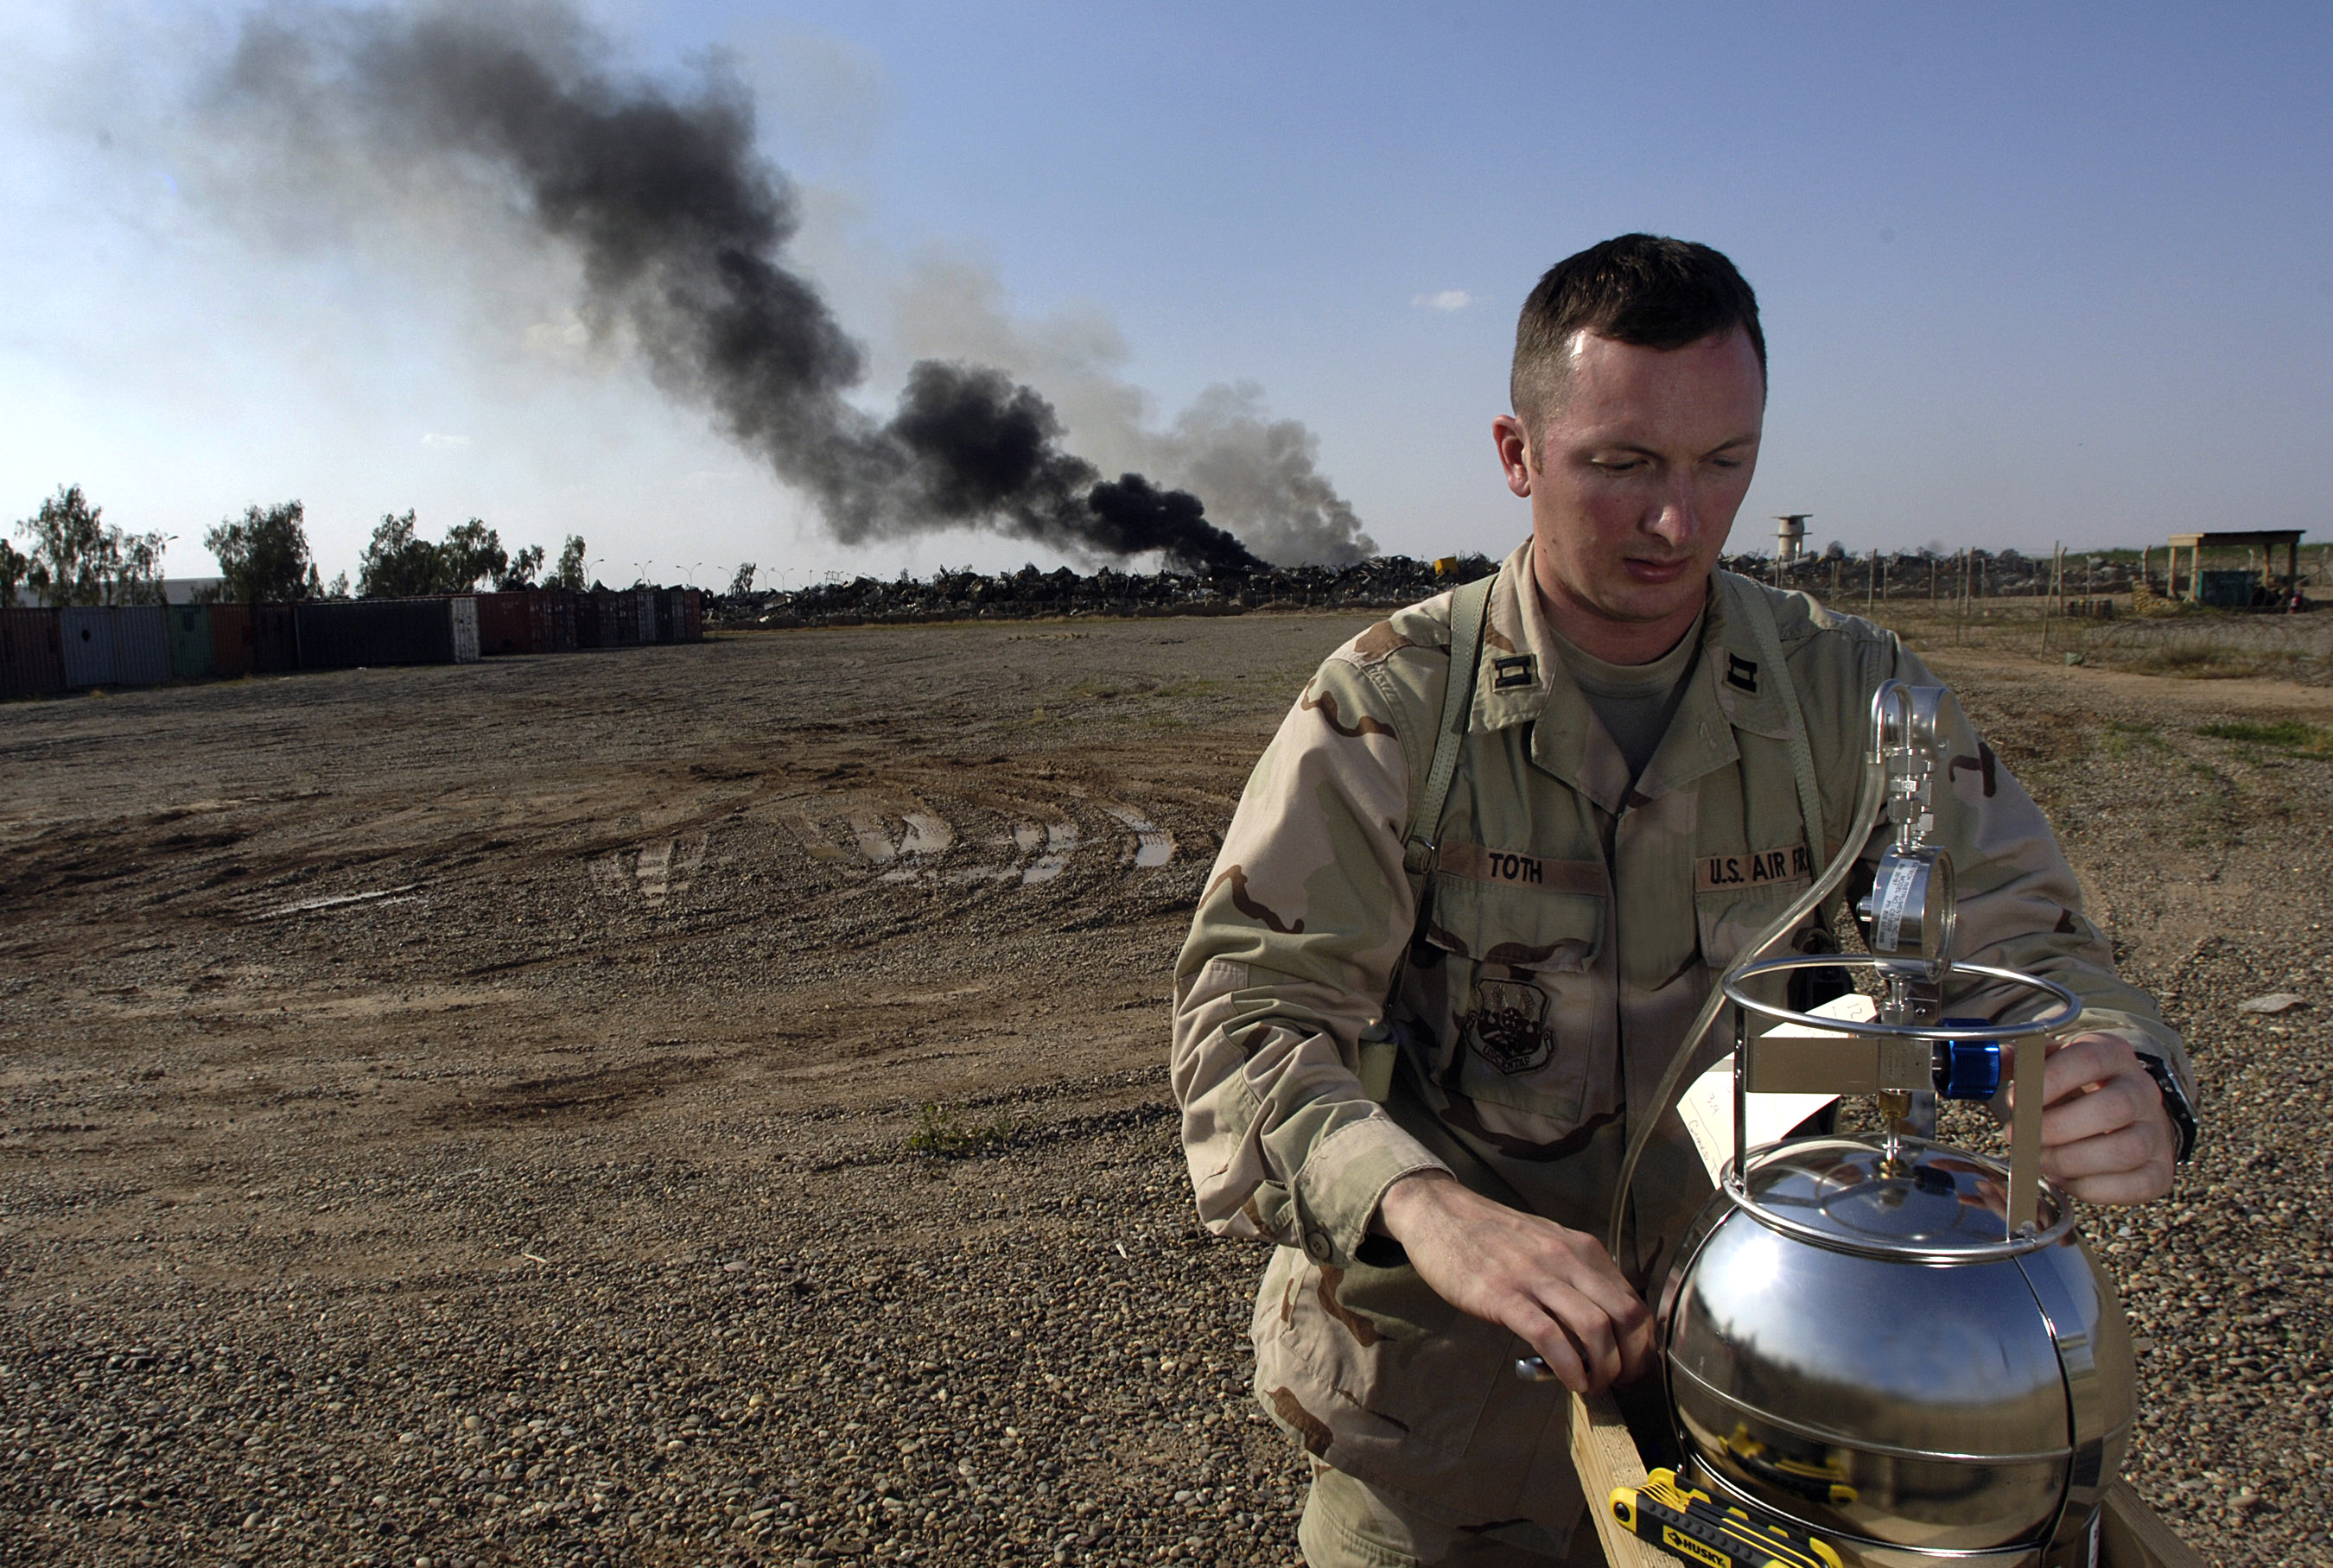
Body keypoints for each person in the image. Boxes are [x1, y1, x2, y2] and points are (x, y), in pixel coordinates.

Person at [1168, 235, 2198, 1567]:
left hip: (1792, 1397)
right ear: (1516, 453)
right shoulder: (1390, 707)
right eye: (1625, 465)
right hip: (1453, 1436)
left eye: (1726, 464)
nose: (1681, 522)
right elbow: (1244, 1025)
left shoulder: (1850, 695)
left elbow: (2034, 941)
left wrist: (2121, 1072)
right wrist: (1428, 1209)